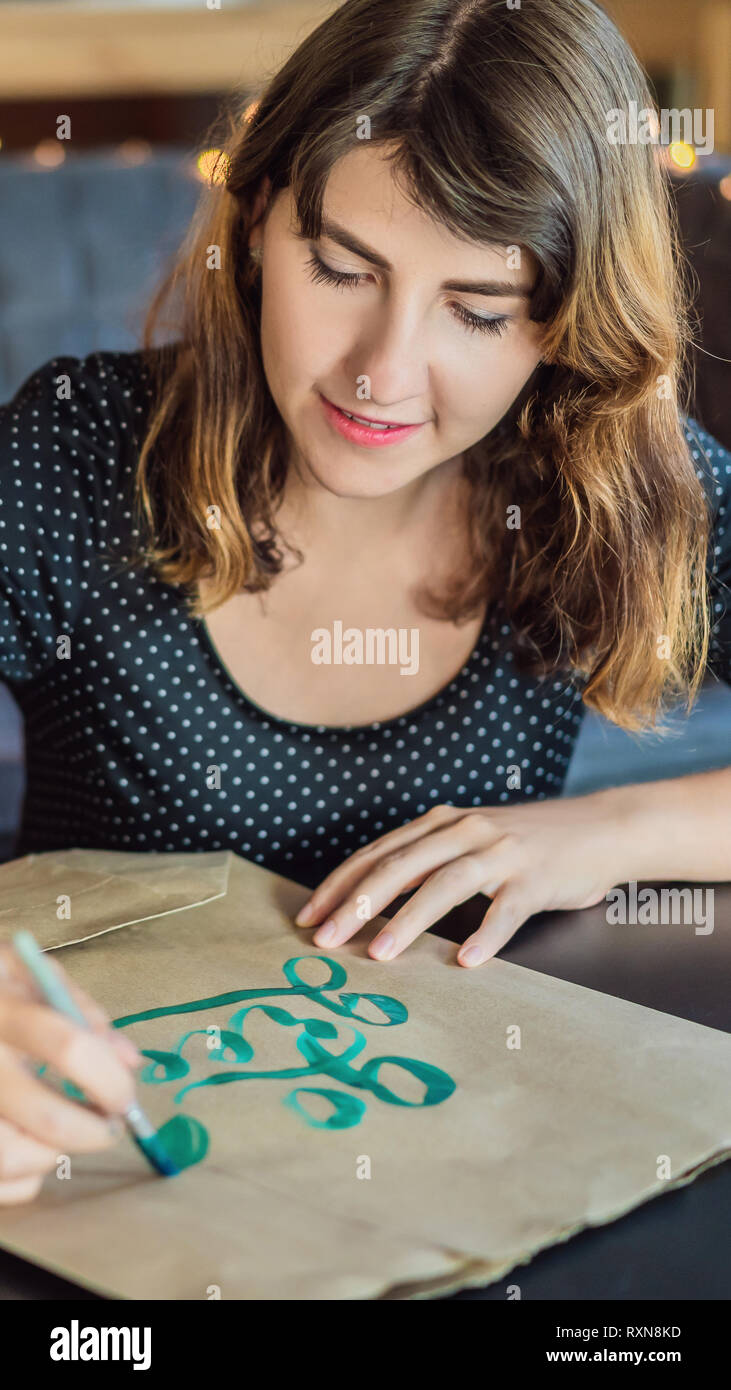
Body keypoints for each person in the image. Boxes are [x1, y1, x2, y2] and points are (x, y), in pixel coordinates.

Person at [0, 0, 729, 1205]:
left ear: (561, 324)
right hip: (113, 1171)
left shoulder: (600, 484)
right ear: (257, 218)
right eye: (342, 269)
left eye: (477, 311)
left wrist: (611, 835)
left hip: (449, 1167)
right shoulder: (76, 455)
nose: (381, 373)